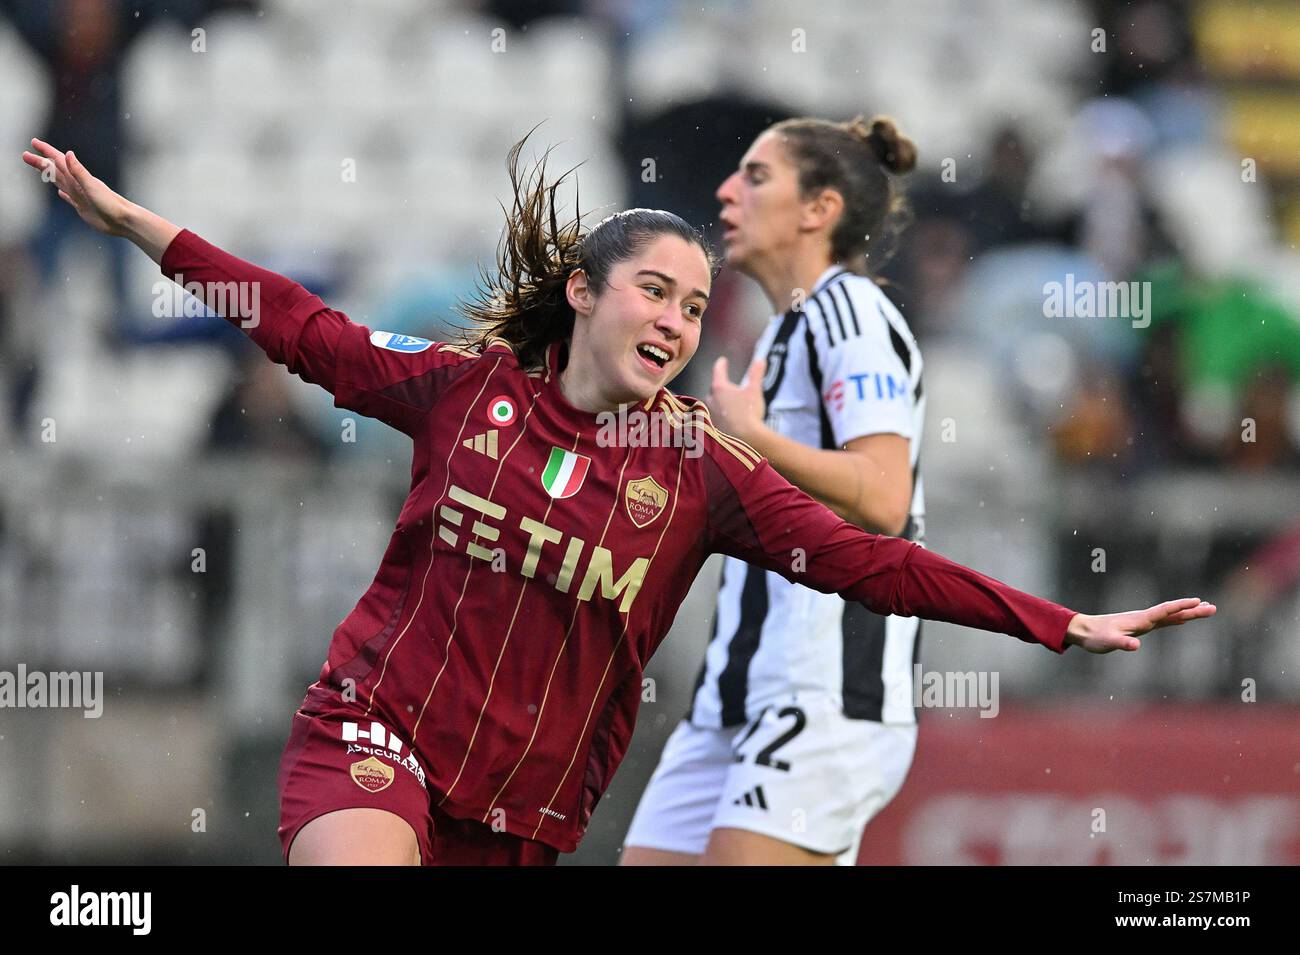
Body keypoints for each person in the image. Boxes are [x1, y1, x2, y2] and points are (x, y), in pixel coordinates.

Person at [20, 134, 1217, 866]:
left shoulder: (696, 467)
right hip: (372, 737)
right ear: (585, 294)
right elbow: (299, 325)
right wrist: (137, 227)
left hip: (524, 818)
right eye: (654, 291)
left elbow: (869, 557)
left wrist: (1056, 620)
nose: (677, 322)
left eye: (694, 309)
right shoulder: (459, 391)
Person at [622, 114, 931, 866]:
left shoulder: (851, 314)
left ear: (818, 209)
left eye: (756, 176)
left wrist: (752, 440)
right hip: (735, 692)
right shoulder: (780, 332)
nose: (727, 191)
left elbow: (885, 495)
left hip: (821, 692)